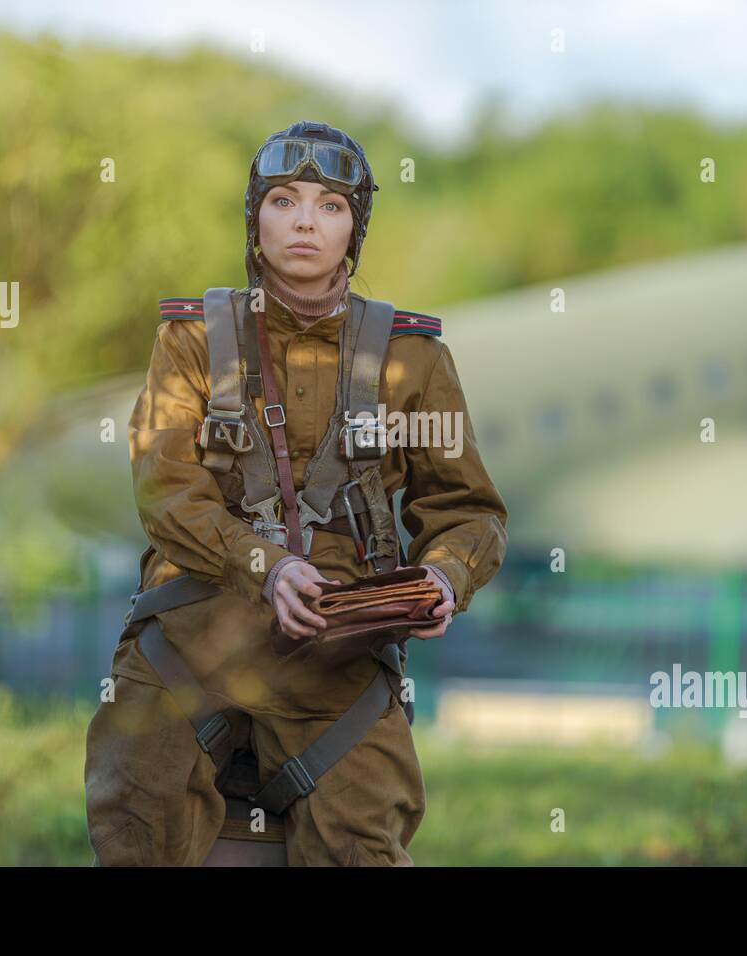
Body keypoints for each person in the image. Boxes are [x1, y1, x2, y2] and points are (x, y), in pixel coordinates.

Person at [84, 120, 507, 866]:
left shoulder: (414, 358)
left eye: (330, 205)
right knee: (135, 809)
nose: (306, 221)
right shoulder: (191, 342)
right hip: (193, 631)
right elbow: (167, 491)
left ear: (355, 229)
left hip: (338, 647)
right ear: (256, 221)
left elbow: (466, 510)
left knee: (361, 840)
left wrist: (445, 577)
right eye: (284, 200)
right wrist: (267, 567)